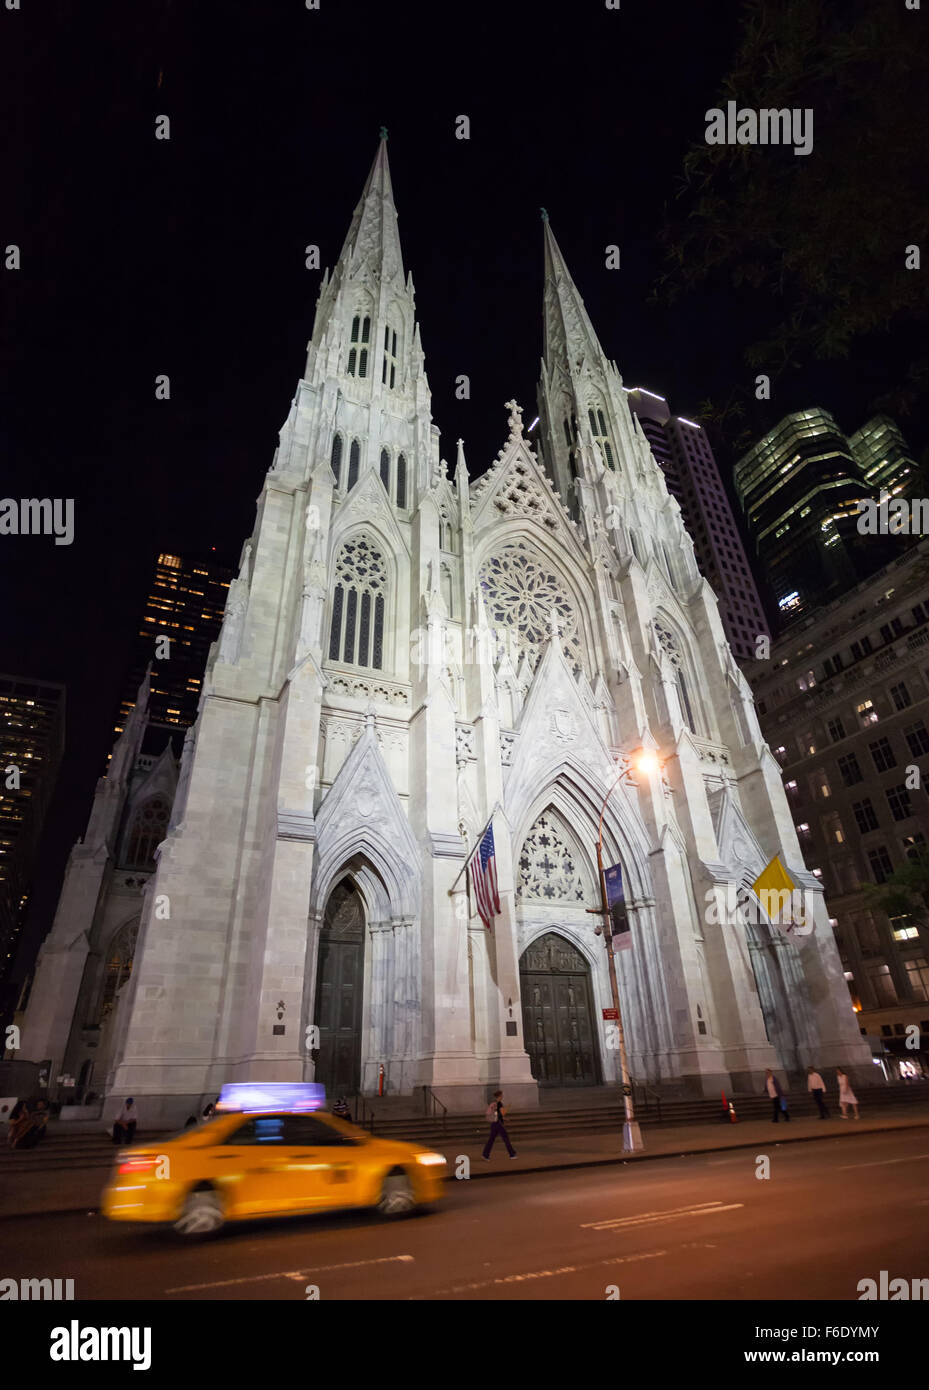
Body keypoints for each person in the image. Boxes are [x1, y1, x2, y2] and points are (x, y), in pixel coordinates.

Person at [481, 1090, 517, 1160]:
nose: (502, 1096)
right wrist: (505, 1113)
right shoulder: (499, 1103)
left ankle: (485, 1154)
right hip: (498, 1124)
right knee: (505, 1138)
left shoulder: (493, 1103)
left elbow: (497, 1114)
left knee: (491, 1139)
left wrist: (504, 1119)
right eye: (502, 1095)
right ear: (499, 1096)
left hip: (494, 1123)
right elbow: (501, 1114)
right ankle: (512, 1154)